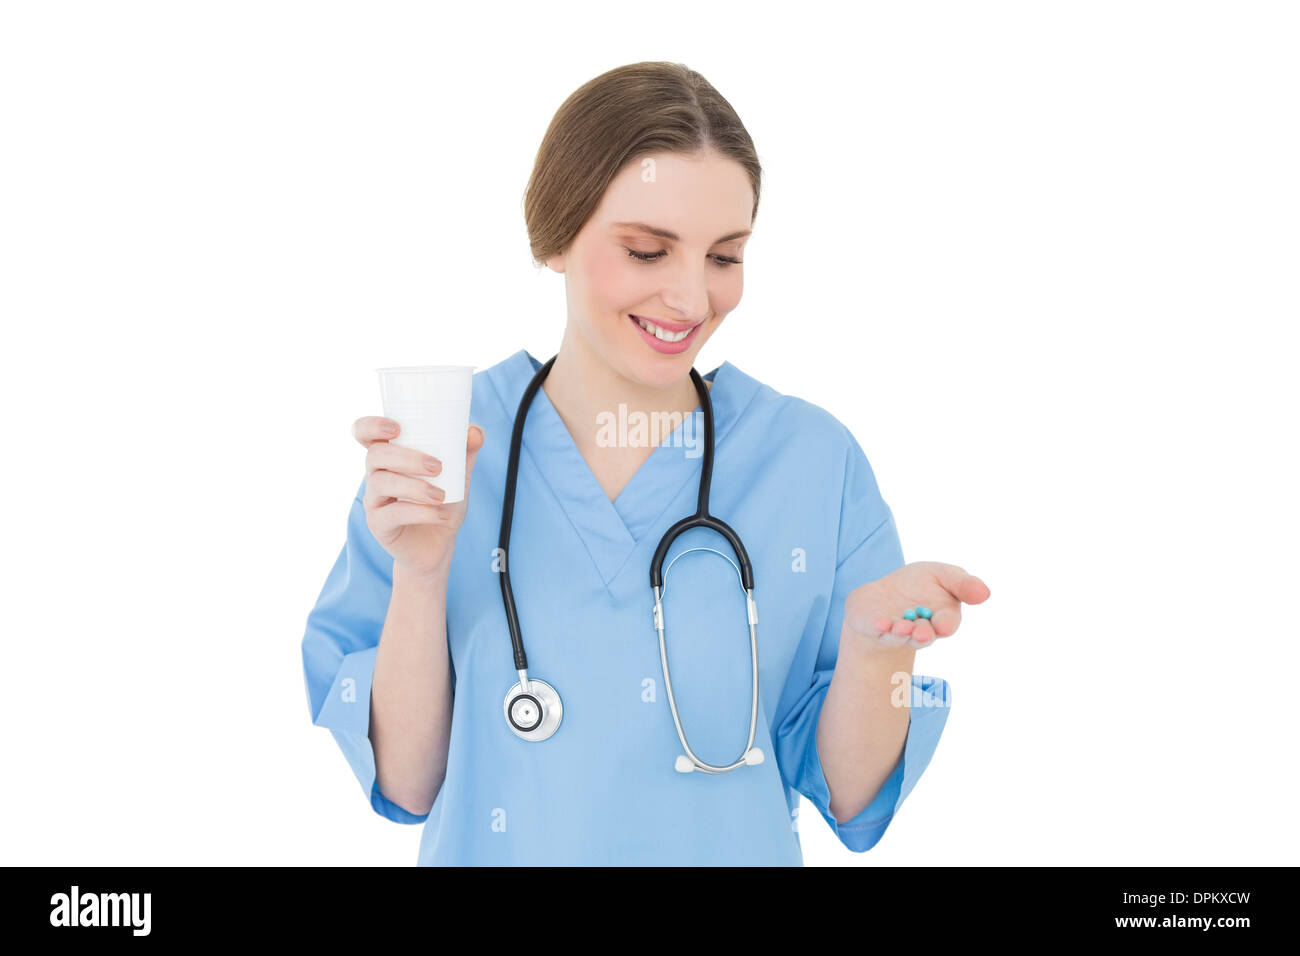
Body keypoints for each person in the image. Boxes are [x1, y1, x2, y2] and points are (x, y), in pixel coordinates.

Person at [301, 61, 991, 866]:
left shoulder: (809, 461)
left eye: (724, 258)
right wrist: (421, 575)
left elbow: (849, 792)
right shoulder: (443, 453)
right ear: (556, 236)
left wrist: (878, 651)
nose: (693, 300)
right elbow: (407, 784)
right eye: (647, 250)